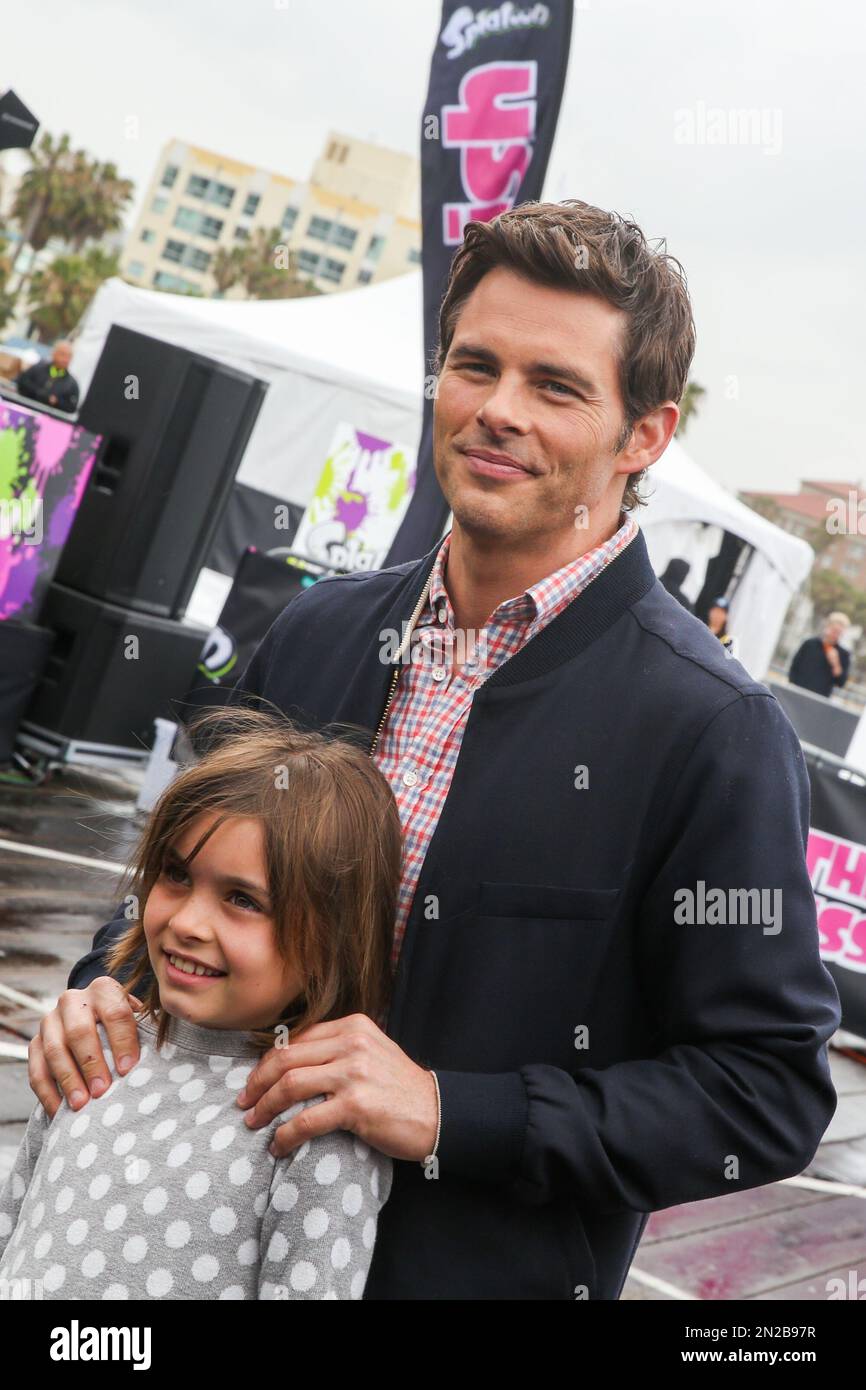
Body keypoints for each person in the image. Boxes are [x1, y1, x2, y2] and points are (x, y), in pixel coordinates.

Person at [28, 199, 841, 1302]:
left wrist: (455, 1112)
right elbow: (168, 886)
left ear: (642, 435)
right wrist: (102, 985)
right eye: (474, 366)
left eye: (554, 386)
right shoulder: (316, 633)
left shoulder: (710, 732)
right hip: (185, 1263)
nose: (496, 411)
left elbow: (763, 1095)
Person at [1, 706, 397, 1299]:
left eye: (242, 899)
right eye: (177, 876)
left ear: (329, 939)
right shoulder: (96, 1045)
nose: (187, 922)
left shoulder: (313, 1127)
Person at [789, 613, 851, 698]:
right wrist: (792, 685)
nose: (835, 635)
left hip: (819, 699)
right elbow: (794, 666)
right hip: (796, 692)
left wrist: (836, 663)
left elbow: (841, 683)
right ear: (827, 627)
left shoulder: (843, 655)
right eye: (834, 630)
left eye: (839, 633)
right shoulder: (809, 644)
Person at [14, 340, 80, 413]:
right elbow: (21, 383)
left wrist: (56, 402)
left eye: (69, 356)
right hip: (25, 411)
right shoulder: (38, 368)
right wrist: (41, 394)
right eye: (62, 354)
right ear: (54, 354)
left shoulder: (72, 384)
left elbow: (72, 407)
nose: (66, 359)